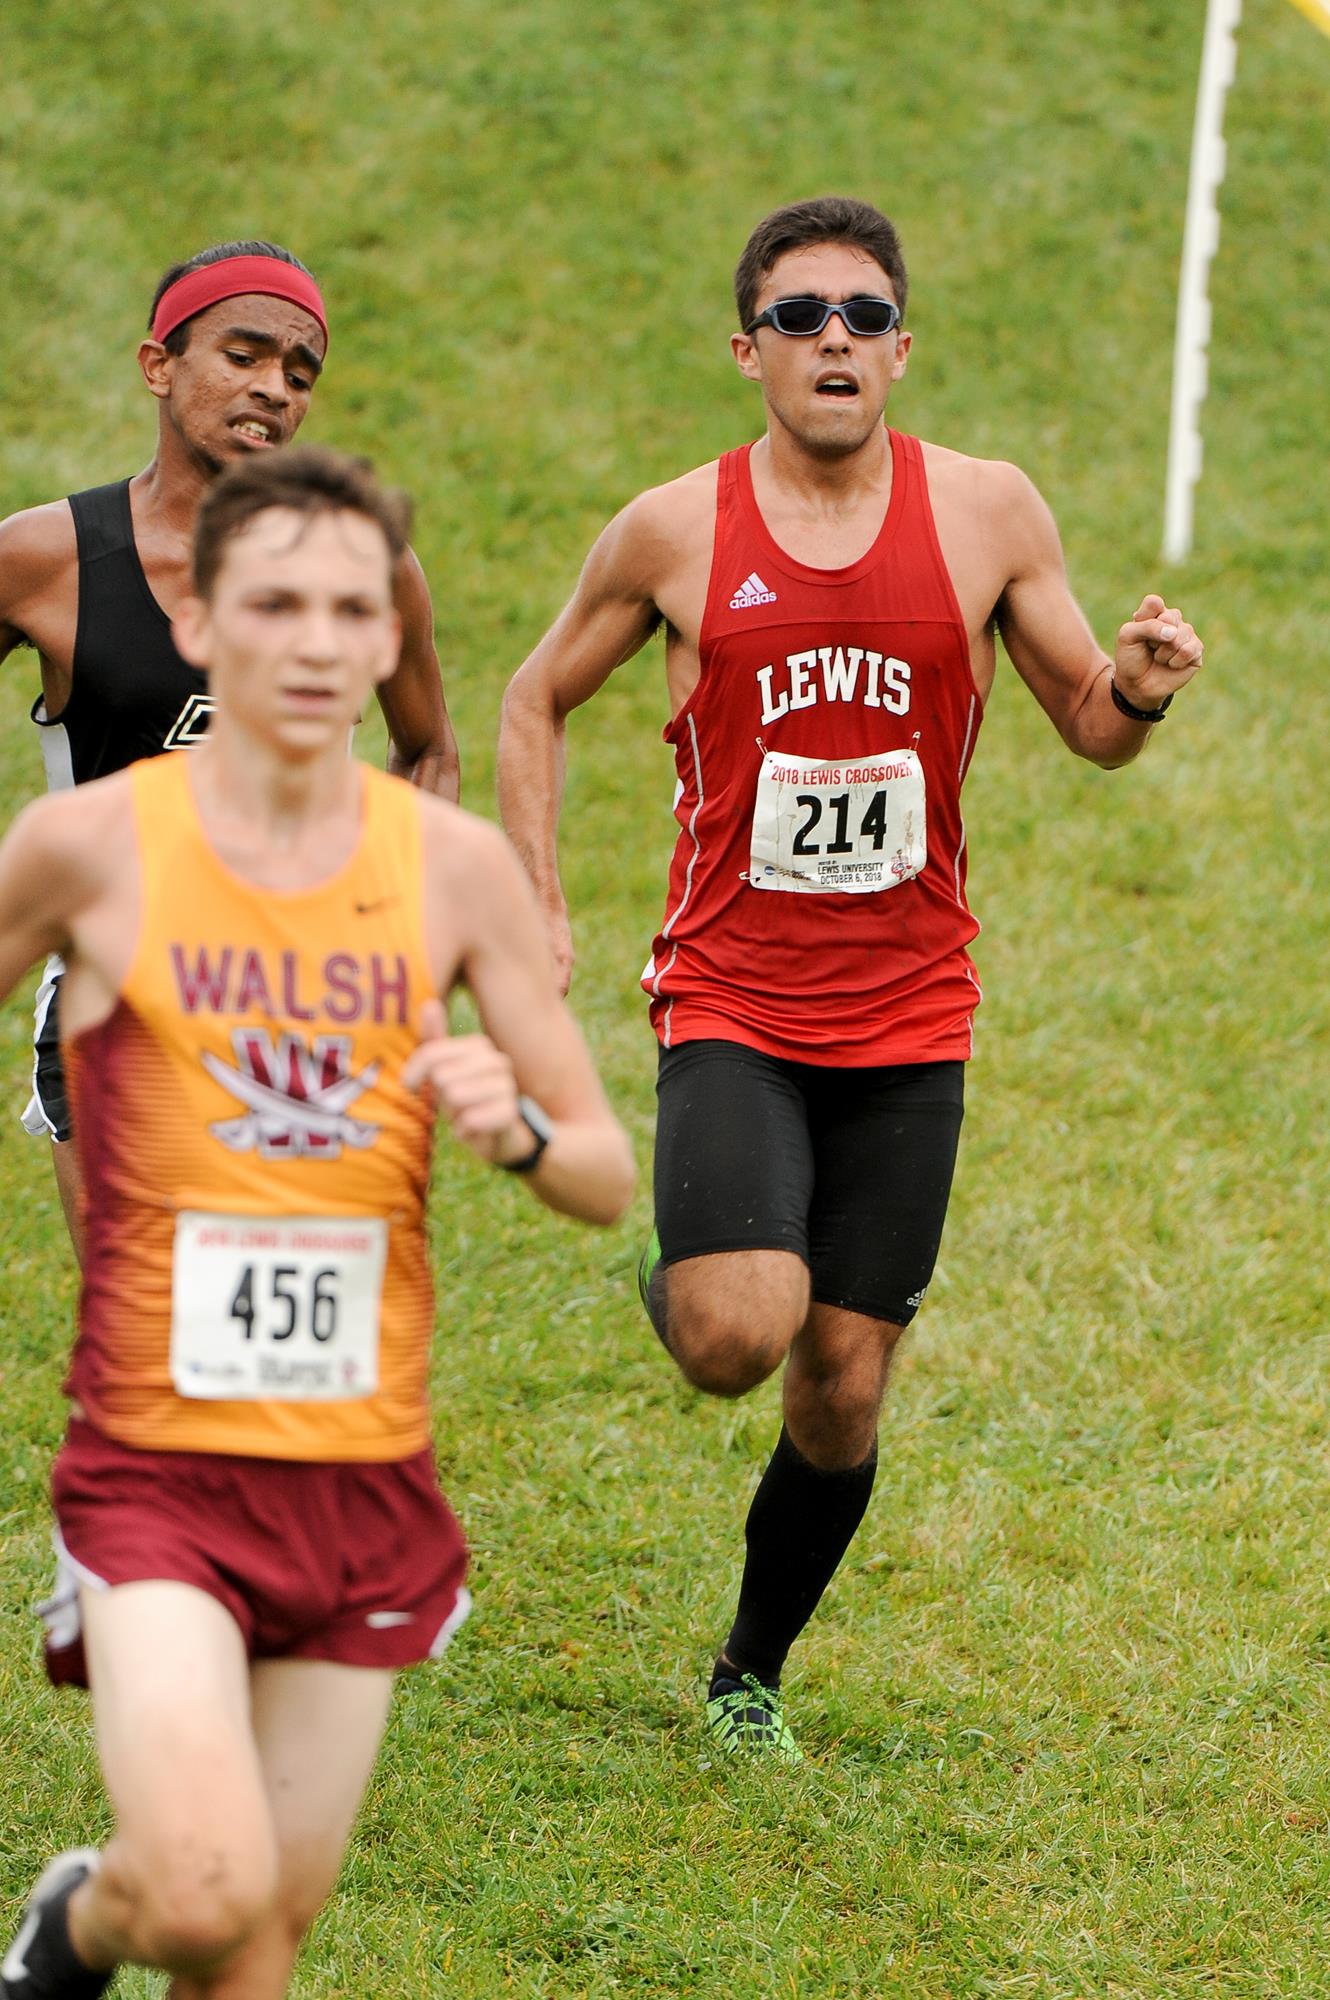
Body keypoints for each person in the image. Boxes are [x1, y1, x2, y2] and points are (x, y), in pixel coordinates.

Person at [497, 194, 1204, 1762]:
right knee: (737, 1336)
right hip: (734, 1000)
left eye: (863, 317)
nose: (834, 338)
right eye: (801, 315)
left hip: (909, 1012)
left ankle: (749, 1673)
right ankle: (690, 1274)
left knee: (841, 1382)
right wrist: (532, 903)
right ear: (746, 348)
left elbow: (1085, 721)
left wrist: (1137, 690)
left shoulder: (988, 514)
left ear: (902, 350)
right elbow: (533, 697)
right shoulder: (676, 530)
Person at [0, 445, 634, 2000]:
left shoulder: (454, 873)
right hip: (156, 1461)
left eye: (351, 609)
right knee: (206, 1888)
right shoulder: (91, 849)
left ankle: (106, 1912)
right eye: (273, 601)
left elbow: (606, 1169)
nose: (312, 639)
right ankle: (76, 1929)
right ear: (204, 623)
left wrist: (520, 1125)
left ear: (383, 643)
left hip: (361, 1478)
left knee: (263, 1931)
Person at [0, 239, 461, 1261]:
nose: (275, 390)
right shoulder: (44, 560)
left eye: (300, 372)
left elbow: (426, 749)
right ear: (159, 365)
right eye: (244, 355)